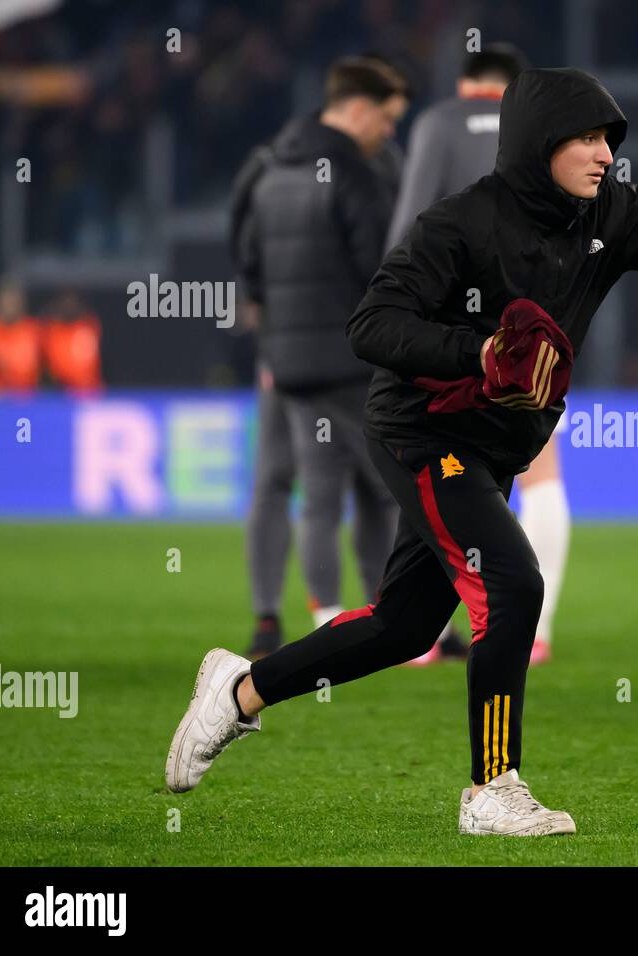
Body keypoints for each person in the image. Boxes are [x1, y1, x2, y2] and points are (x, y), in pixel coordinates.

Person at [167, 67, 638, 836]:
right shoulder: (460, 223)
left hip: (494, 449)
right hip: (423, 433)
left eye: (608, 139)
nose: (604, 154)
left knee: (406, 627)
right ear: (538, 142)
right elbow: (370, 326)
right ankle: (490, 789)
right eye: (584, 137)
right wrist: (479, 351)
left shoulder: (607, 212)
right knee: (512, 582)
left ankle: (240, 691)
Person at [386, 44, 569, 668]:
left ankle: (424, 634)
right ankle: (536, 631)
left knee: (428, 464)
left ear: (464, 84)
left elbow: (407, 229)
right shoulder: (544, 134)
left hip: (451, 338)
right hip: (531, 326)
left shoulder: (437, 123)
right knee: (540, 472)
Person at [229, 57, 409, 657]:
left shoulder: (266, 163)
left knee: (281, 483)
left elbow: (245, 252)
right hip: (347, 359)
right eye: (386, 119)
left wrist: (268, 312)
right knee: (376, 487)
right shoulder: (363, 170)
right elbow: (382, 265)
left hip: (280, 358)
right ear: (358, 108)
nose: (390, 132)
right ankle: (382, 618)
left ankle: (272, 618)